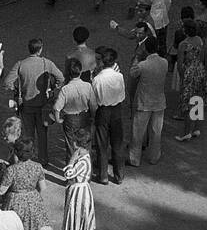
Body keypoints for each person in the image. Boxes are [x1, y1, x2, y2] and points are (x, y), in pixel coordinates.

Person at [3, 38, 63, 170]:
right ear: (40, 49)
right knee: (42, 133)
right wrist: (53, 88)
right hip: (43, 106)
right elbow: (61, 78)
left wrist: (17, 90)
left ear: (29, 49)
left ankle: (28, 158)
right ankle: (43, 160)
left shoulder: (21, 64)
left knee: (29, 134)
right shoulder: (46, 63)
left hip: (26, 106)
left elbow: (7, 82)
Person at [128, 37, 168, 166]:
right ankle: (154, 156)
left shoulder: (142, 65)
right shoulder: (164, 62)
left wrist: (137, 57)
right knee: (156, 132)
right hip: (159, 101)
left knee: (138, 133)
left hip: (144, 102)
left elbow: (132, 73)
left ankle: (134, 159)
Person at [0, 136, 48, 230]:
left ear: (16, 153)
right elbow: (43, 188)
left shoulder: (12, 169)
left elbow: (1, 191)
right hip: (34, 200)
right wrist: (34, 197)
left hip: (15, 202)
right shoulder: (38, 166)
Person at [91, 49, 127, 184]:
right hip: (116, 110)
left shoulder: (97, 79)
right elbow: (122, 95)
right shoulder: (119, 76)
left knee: (101, 144)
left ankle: (103, 175)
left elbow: (94, 100)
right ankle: (119, 175)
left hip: (103, 111)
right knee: (117, 143)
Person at [173, 19, 207, 142]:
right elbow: (202, 58)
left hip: (189, 73)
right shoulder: (199, 41)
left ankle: (186, 132)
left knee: (188, 103)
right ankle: (196, 128)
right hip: (200, 70)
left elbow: (180, 64)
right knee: (198, 100)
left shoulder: (183, 44)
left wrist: (183, 77)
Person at [53, 57, 96, 165]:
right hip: (85, 117)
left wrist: (58, 119)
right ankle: (86, 173)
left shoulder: (65, 89)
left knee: (70, 146)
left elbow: (57, 108)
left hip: (70, 119)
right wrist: (92, 117)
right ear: (80, 71)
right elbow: (93, 105)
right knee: (86, 145)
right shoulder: (87, 86)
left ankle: (71, 176)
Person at [62, 142, 96, 230]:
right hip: (83, 191)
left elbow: (68, 174)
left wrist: (72, 160)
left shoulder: (83, 161)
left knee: (83, 224)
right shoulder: (85, 157)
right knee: (86, 224)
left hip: (80, 193)